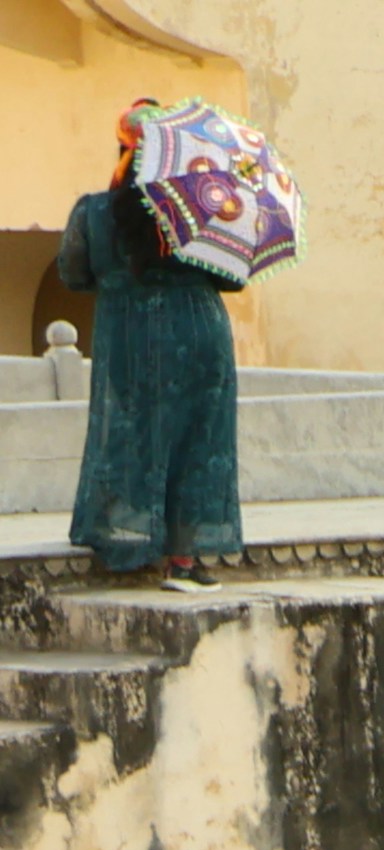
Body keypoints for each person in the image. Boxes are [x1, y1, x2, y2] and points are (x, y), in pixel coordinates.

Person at [64, 103, 238, 589]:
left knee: (131, 432)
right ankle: (182, 561)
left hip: (128, 335)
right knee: (197, 440)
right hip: (198, 331)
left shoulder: (93, 211)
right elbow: (231, 277)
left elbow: (73, 273)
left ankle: (128, 543)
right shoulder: (197, 205)